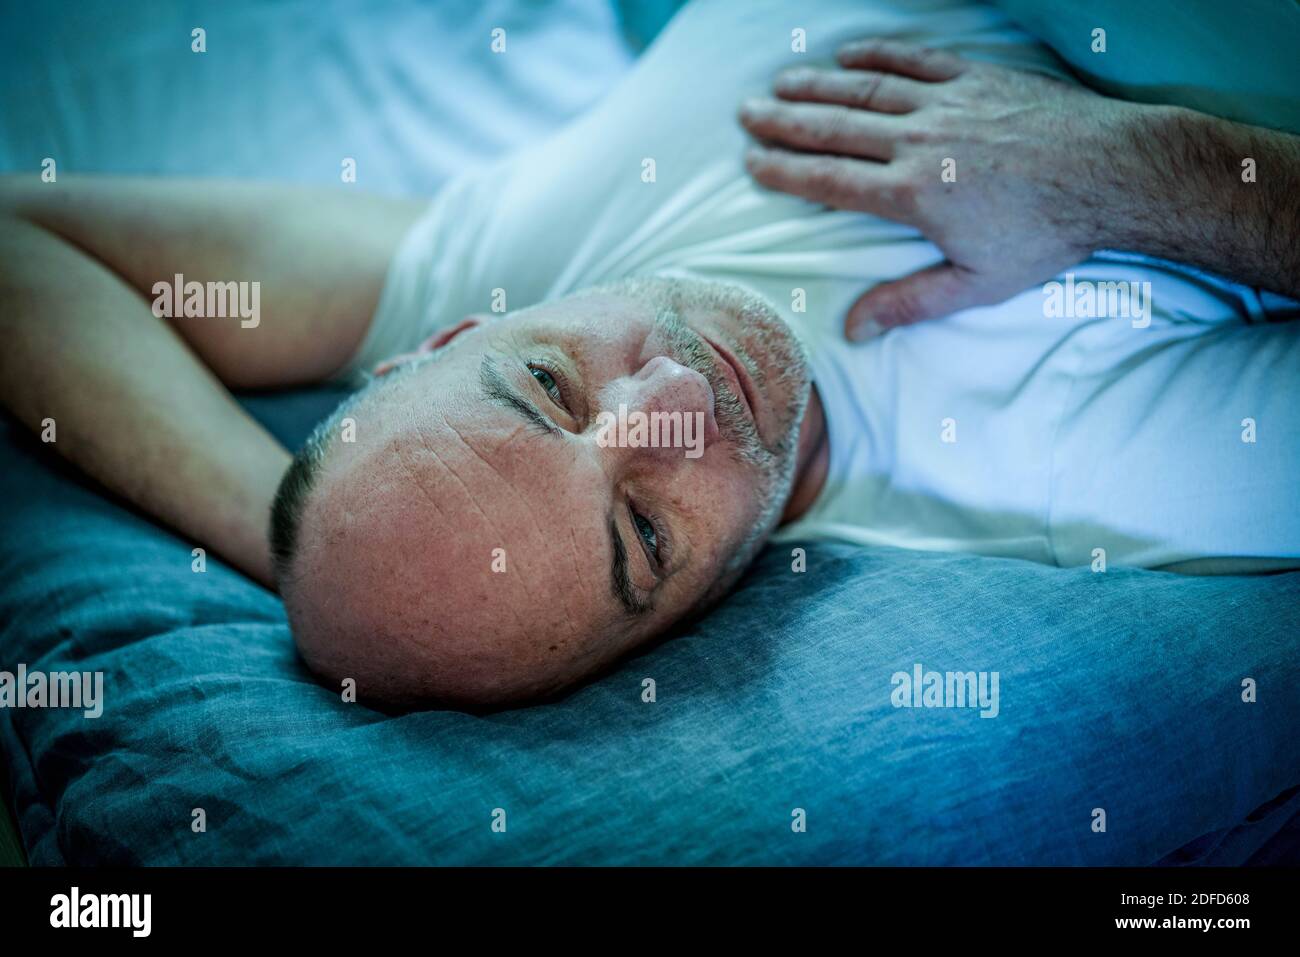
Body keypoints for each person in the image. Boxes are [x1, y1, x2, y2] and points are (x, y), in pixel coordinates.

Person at [2, 0, 1297, 709]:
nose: (673, 402)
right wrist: (1144, 175)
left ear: (450, 342)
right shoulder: (1090, 455)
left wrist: (292, 537)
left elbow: (16, 239)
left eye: (551, 386)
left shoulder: (491, 268)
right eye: (643, 535)